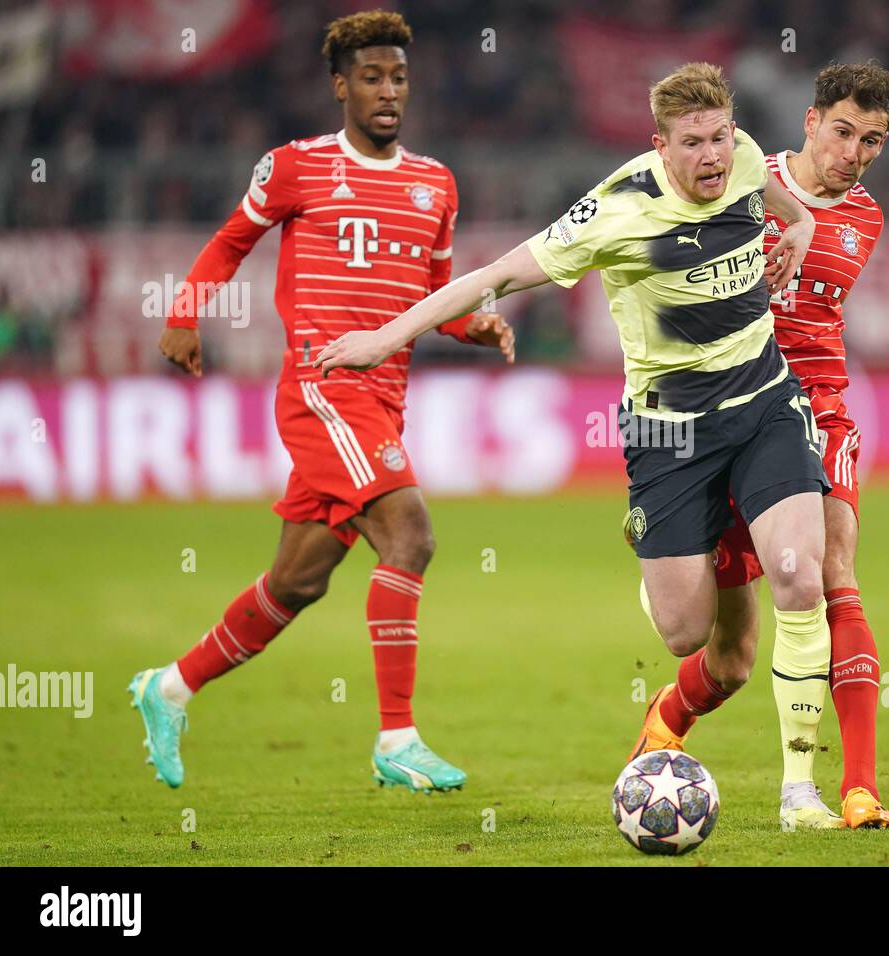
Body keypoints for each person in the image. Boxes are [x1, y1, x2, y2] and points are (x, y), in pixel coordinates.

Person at [316, 64, 833, 839]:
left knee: (800, 579)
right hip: (667, 430)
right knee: (689, 637)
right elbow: (492, 275)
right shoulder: (615, 211)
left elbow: (779, 196)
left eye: (720, 136)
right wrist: (386, 339)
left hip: (763, 401)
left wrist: (800, 226)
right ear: (660, 146)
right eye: (692, 143)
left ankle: (801, 794)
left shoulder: (748, 158)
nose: (713, 157)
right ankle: (679, 550)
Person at [130, 10, 514, 791]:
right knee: (410, 534)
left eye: (398, 77)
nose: (387, 91)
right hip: (323, 386)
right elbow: (231, 238)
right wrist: (183, 315)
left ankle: (168, 686)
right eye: (371, 77)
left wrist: (476, 324)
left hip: (385, 393)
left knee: (296, 583)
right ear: (340, 85)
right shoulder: (296, 166)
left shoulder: (435, 182)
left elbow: (433, 292)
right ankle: (397, 738)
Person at [633, 62, 889, 830]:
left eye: (872, 140)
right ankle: (664, 722)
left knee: (832, 572)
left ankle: (855, 789)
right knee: (731, 657)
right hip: (724, 411)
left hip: (815, 408)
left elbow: (815, 316)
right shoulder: (741, 174)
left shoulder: (869, 219)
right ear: (811, 122)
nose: (853, 152)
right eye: (843, 131)